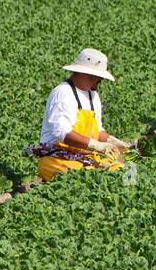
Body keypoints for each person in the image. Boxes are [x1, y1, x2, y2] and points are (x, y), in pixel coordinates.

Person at [32, 48, 130, 182]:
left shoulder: (93, 95)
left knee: (123, 173)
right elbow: (62, 133)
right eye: (98, 77)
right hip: (57, 159)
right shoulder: (63, 93)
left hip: (85, 157)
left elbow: (98, 130)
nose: (100, 80)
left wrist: (112, 141)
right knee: (87, 180)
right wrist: (97, 146)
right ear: (85, 74)